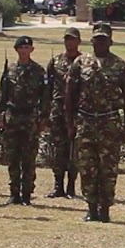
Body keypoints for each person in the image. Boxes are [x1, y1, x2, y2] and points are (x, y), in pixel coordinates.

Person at [67, 22, 125, 223]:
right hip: (85, 121)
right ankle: (91, 208)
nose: (100, 43)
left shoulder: (120, 66)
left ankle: (105, 209)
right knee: (87, 167)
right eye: (97, 39)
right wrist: (70, 123)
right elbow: (70, 95)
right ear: (91, 41)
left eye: (104, 40)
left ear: (110, 42)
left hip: (109, 122)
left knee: (108, 169)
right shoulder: (80, 63)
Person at [0, 35, 47, 205]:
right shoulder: (10, 70)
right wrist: (1, 116)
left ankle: (26, 193)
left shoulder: (39, 71)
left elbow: (45, 97)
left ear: (32, 49)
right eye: (21, 48)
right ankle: (14, 193)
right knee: (12, 157)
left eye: (27, 48)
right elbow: (2, 95)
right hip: (13, 117)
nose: (24, 51)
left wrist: (43, 118)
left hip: (30, 117)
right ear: (16, 50)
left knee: (29, 157)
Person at [45, 27, 82, 199]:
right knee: (58, 149)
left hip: (77, 111)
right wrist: (46, 111)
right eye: (67, 39)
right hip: (58, 110)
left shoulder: (84, 62)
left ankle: (71, 187)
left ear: (78, 41)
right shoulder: (55, 61)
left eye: (72, 39)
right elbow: (48, 88)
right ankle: (58, 185)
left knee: (74, 150)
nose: (69, 42)